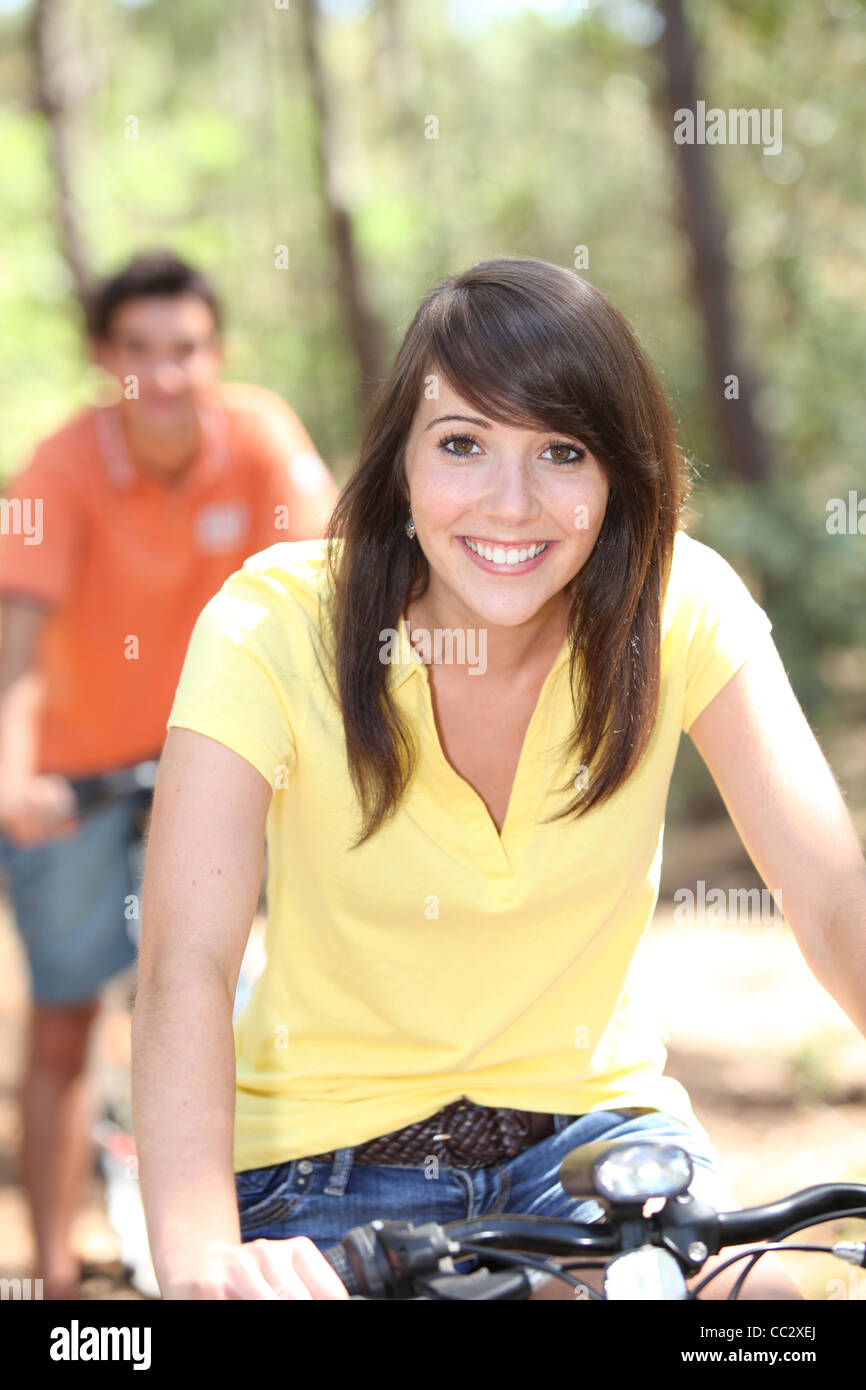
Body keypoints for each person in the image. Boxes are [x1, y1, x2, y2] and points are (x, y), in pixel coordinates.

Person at [133, 256, 866, 1301]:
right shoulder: (270, 625)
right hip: (317, 1177)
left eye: (561, 451)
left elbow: (834, 897)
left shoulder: (680, 606)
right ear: (401, 464)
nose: (510, 504)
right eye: (462, 444)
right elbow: (183, 962)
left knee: (755, 1308)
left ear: (618, 472)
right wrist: (201, 1251)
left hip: (591, 1153)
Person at [0, 248, 340, 1300]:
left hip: (219, 757)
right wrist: (11, 773)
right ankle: (54, 1275)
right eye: (139, 349)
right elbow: (17, 637)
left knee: (244, 1004)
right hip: (77, 771)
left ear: (216, 353)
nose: (165, 372)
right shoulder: (58, 469)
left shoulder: (261, 440)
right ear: (106, 358)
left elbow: (337, 591)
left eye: (185, 348)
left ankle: (233, 1250)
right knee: (64, 1017)